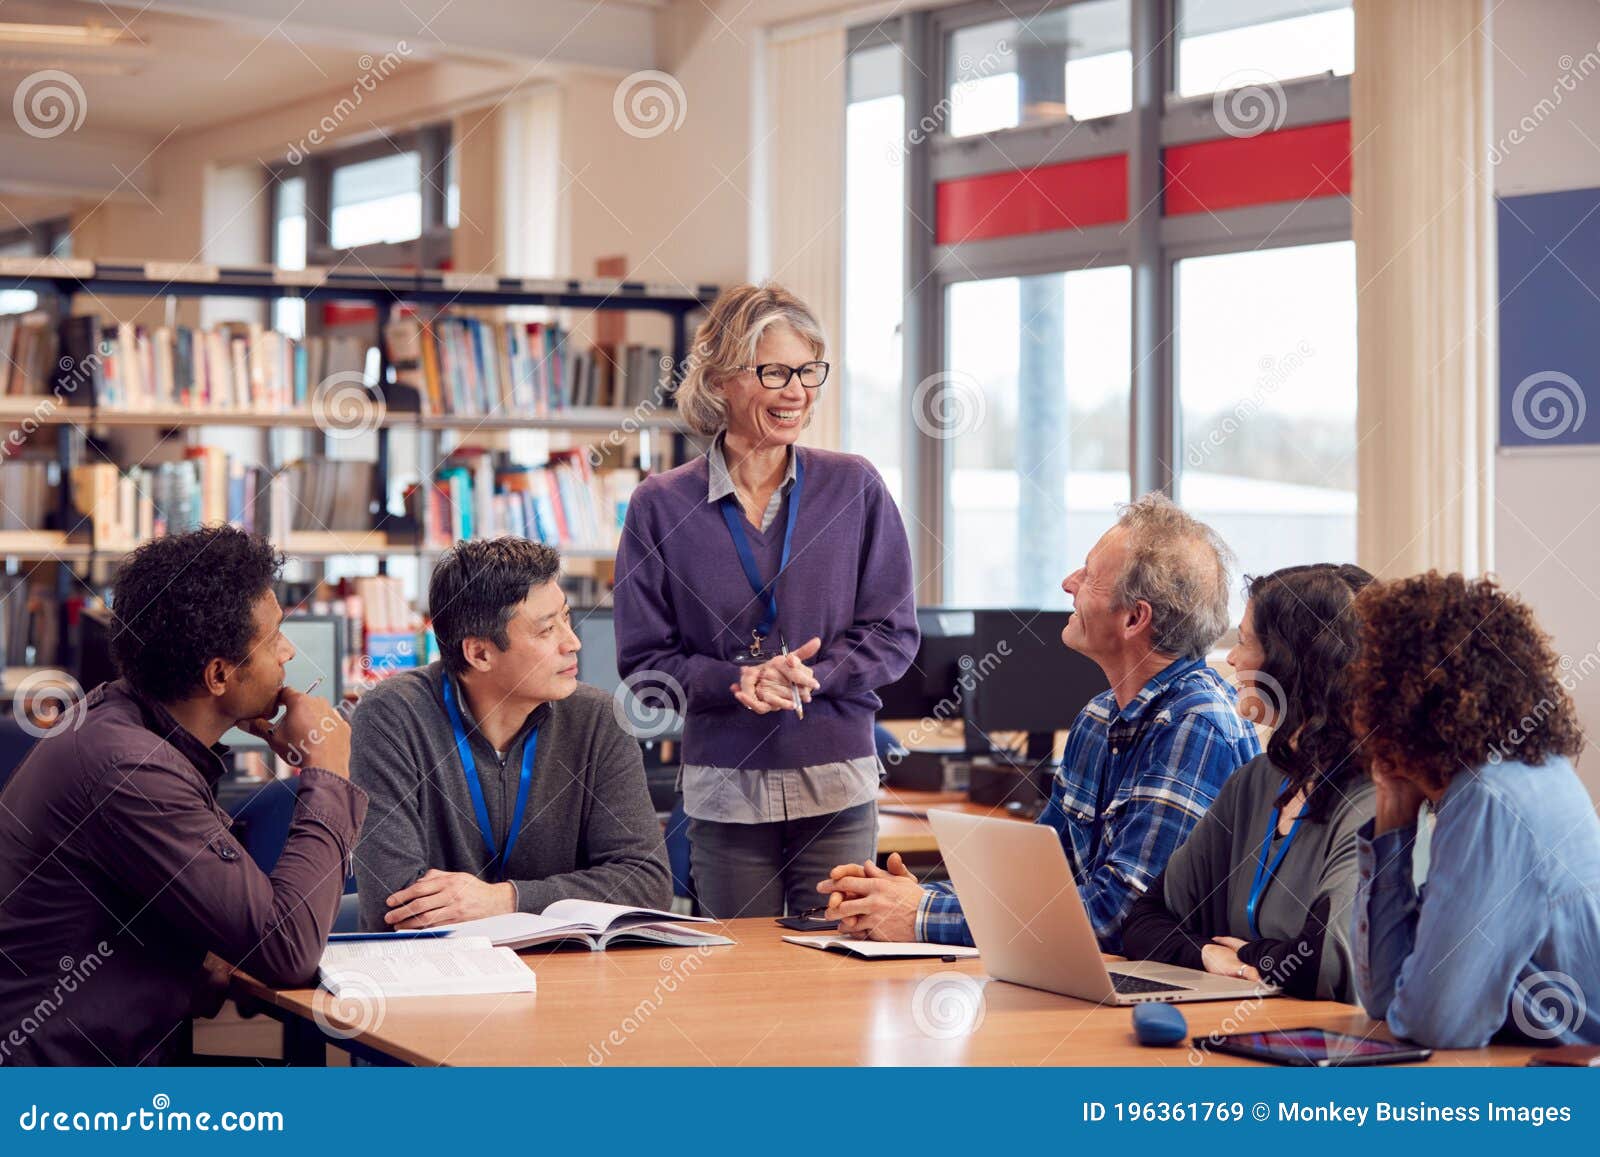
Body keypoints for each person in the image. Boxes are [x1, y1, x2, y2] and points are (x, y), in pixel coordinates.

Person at [820, 494, 1261, 950]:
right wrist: (906, 898)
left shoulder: (1196, 726)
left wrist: (922, 916)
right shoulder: (1097, 720)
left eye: (1089, 575)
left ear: (1134, 618)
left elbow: (1116, 919)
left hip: (1169, 996)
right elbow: (1039, 887)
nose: (1068, 582)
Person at [0, 527, 364, 1066]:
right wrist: (328, 770)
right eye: (274, 639)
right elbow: (286, 948)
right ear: (218, 674)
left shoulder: (122, 722)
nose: (288, 652)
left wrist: (206, 950)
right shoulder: (131, 769)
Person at [613, 282, 918, 919]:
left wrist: (815, 674)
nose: (797, 392)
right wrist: (737, 680)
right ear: (723, 378)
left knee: (836, 972)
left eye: (809, 371)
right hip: (725, 789)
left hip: (835, 778)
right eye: (775, 371)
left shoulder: (854, 486)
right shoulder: (660, 505)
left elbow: (894, 633)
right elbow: (645, 666)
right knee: (739, 980)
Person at [351, 538, 670, 931]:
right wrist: (563, 899)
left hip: (567, 971)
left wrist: (506, 899)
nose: (573, 643)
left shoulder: (597, 718)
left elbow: (646, 883)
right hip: (440, 974)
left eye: (566, 619)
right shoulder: (392, 716)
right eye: (546, 630)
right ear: (480, 654)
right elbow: (394, 902)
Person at [1348, 572, 1600, 1048]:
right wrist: (1393, 812)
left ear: (1399, 698)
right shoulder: (1521, 771)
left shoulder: (1490, 799)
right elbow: (1387, 1001)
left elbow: (1435, 1023)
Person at [1120, 563, 1376, 1001]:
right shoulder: (1257, 782)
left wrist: (1253, 955)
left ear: (1292, 662)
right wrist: (1206, 954)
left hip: (1329, 1051)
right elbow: (1143, 921)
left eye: (1243, 642)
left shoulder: (1375, 794)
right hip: (1247, 1027)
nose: (1233, 659)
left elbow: (1327, 964)